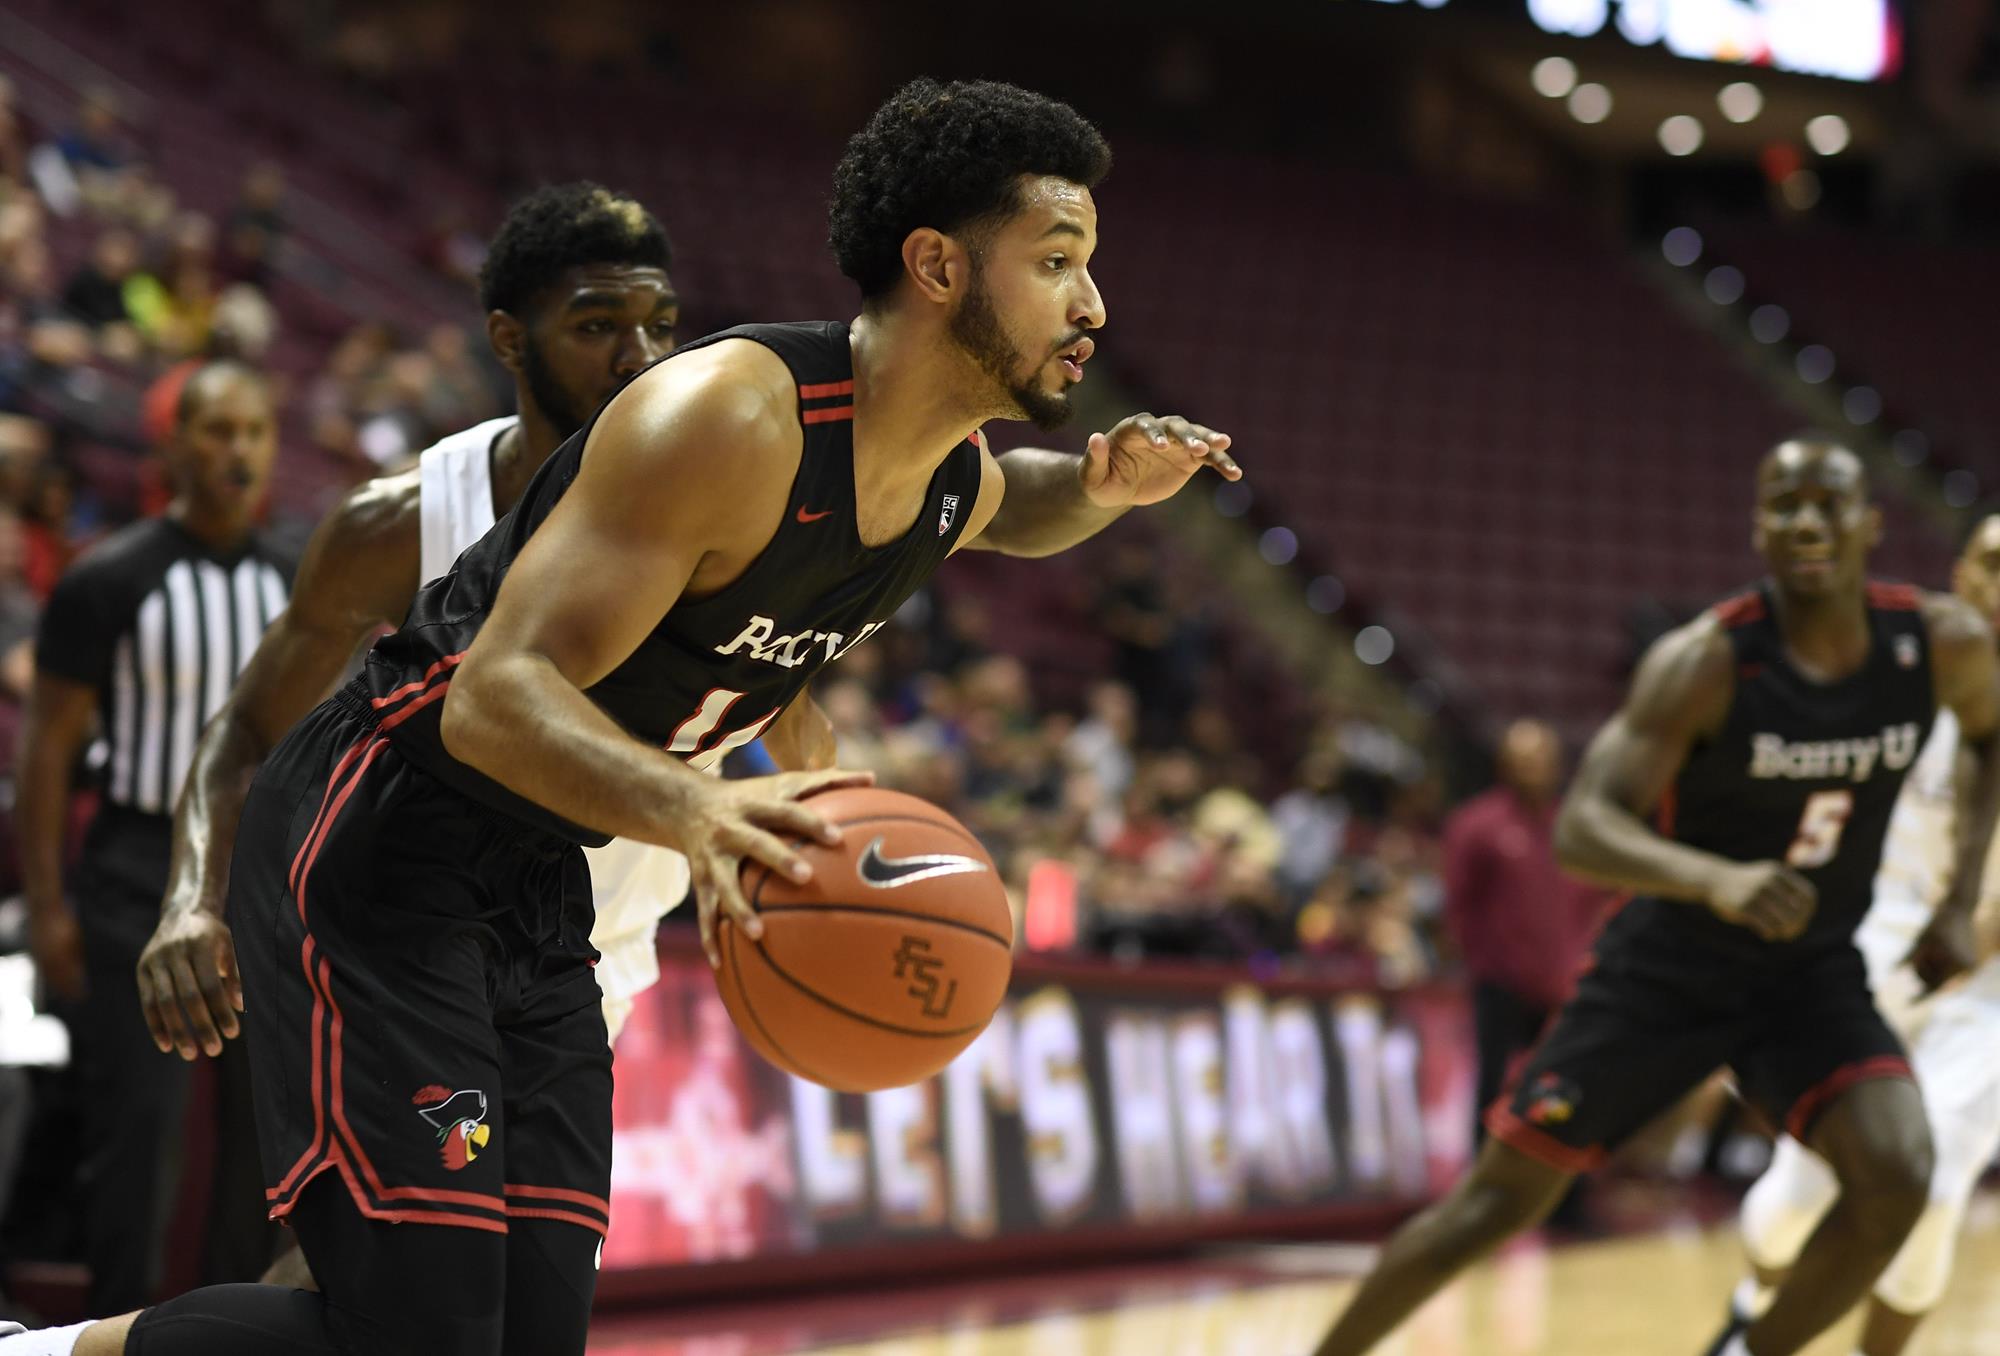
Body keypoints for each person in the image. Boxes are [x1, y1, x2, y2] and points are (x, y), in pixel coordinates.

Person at [2, 78, 1237, 1356]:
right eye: (1055, 263)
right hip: (381, 849)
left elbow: (1016, 503)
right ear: (934, 266)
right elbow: (494, 697)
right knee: (421, 1332)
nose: (1091, 305)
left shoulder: (933, 481)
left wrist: (1106, 491)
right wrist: (701, 808)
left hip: (540, 884)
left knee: (532, 1338)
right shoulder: (730, 418)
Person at [132, 182, 801, 1292]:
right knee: (402, 1283)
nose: (638, 358)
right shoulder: (400, 521)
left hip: (592, 963)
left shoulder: (723, 502)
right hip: (405, 938)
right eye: (595, 326)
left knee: (502, 1308)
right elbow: (248, 728)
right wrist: (190, 896)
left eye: (659, 325)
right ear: (507, 337)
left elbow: (789, 712)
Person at [1312, 438, 2000, 1356]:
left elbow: (1993, 740)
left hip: (1810, 976)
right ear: (1758, 527)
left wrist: (1960, 899)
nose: (1806, 522)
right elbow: (1586, 826)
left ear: (1873, 525)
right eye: (1784, 505)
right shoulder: (1707, 662)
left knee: (1903, 1171)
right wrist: (1717, 878)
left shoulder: (1933, 647)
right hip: (1672, 966)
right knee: (1495, 1204)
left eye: (1828, 504)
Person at [17, 362, 289, 1319]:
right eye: (217, 431)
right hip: (134, 874)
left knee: (267, 1153)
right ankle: (119, 1335)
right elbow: (47, 752)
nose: (239, 451)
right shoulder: (110, 577)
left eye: (255, 432)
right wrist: (50, 907)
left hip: (263, 888)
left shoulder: (299, 582)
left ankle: (235, 1338)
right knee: (141, 1146)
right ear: (171, 446)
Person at [1711, 507, 2000, 1356]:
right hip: (1864, 956)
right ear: (1959, 573)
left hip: (1987, 994)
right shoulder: (1893, 674)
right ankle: (1753, 1308)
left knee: (1936, 1170)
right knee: (1803, 1184)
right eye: (1990, 561)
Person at [1443, 718, 1607, 1149]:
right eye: (1524, 760)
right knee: (1494, 1084)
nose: (1534, 768)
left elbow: (1598, 901)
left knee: (1561, 1089)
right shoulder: (1477, 825)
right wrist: (1486, 964)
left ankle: (1564, 1194)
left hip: (1563, 985)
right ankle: (1481, 1185)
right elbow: (1459, 905)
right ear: (1505, 764)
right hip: (1501, 985)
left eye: (1542, 759)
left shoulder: (1572, 828)